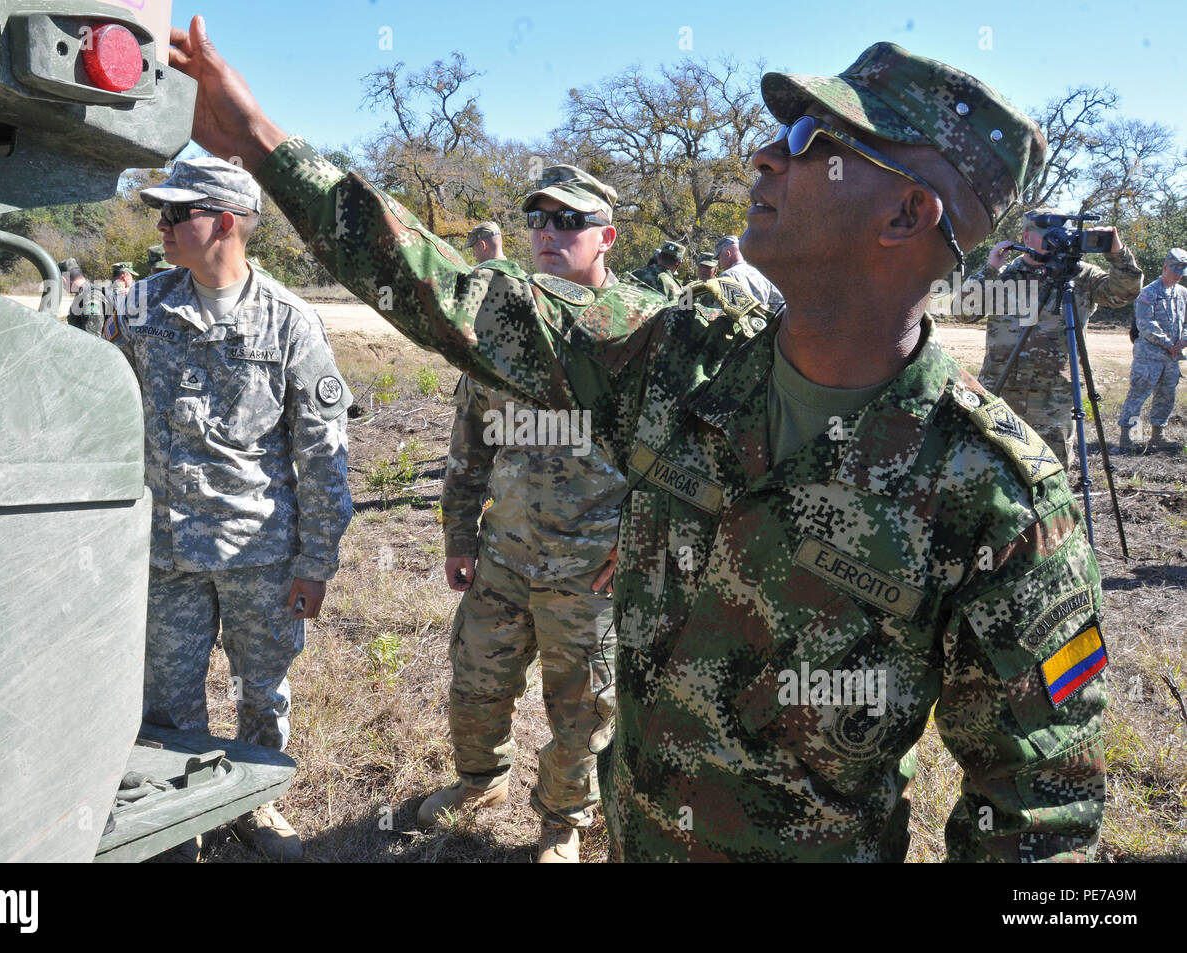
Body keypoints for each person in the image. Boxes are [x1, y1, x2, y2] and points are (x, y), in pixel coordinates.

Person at [172, 22, 1108, 862]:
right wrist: (261, 143)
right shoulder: (680, 360)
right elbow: (455, 300)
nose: (762, 156)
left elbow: (1042, 822)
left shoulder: (1002, 500)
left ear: (907, 216)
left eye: (809, 143)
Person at [103, 155, 354, 861]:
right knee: (166, 696)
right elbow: (101, 410)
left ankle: (255, 800)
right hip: (165, 551)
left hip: (260, 557)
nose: (160, 223)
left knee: (262, 692)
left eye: (175, 212)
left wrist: (317, 563)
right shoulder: (139, 308)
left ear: (221, 223)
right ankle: (176, 821)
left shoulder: (291, 323)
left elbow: (322, 455)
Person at [425, 165, 626, 863]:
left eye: (567, 222)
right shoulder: (501, 330)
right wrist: (459, 533)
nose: (547, 234)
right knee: (476, 681)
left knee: (582, 711)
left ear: (605, 236)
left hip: (589, 569)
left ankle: (563, 822)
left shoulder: (638, 336)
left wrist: (636, 544)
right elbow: (468, 445)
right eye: (538, 220)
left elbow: (676, 460)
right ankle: (481, 780)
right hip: (504, 555)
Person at [961, 208, 1141, 466]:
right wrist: (989, 269)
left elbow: (1124, 293)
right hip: (1000, 397)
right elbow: (963, 312)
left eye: (1060, 236)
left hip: (1052, 403)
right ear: (1026, 237)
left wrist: (1118, 253)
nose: (1055, 242)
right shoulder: (1005, 276)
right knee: (991, 470)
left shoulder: (1081, 276)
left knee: (1050, 475)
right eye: (1047, 236)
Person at [1115, 247, 1187, 452]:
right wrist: (1169, 344)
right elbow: (1145, 324)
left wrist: (1183, 342)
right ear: (1165, 268)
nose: (1179, 275)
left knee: (1166, 396)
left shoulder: (1183, 294)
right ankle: (1128, 438)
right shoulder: (1149, 293)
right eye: (1175, 271)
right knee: (1138, 395)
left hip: (1172, 359)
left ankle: (1158, 436)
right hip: (1149, 357)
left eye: (1182, 272)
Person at [715, 234, 784, 309]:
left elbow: (719, 310)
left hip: (738, 320)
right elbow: (780, 305)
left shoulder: (727, 276)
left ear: (728, 254)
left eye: (719, 258)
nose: (720, 263)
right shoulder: (761, 273)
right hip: (760, 320)